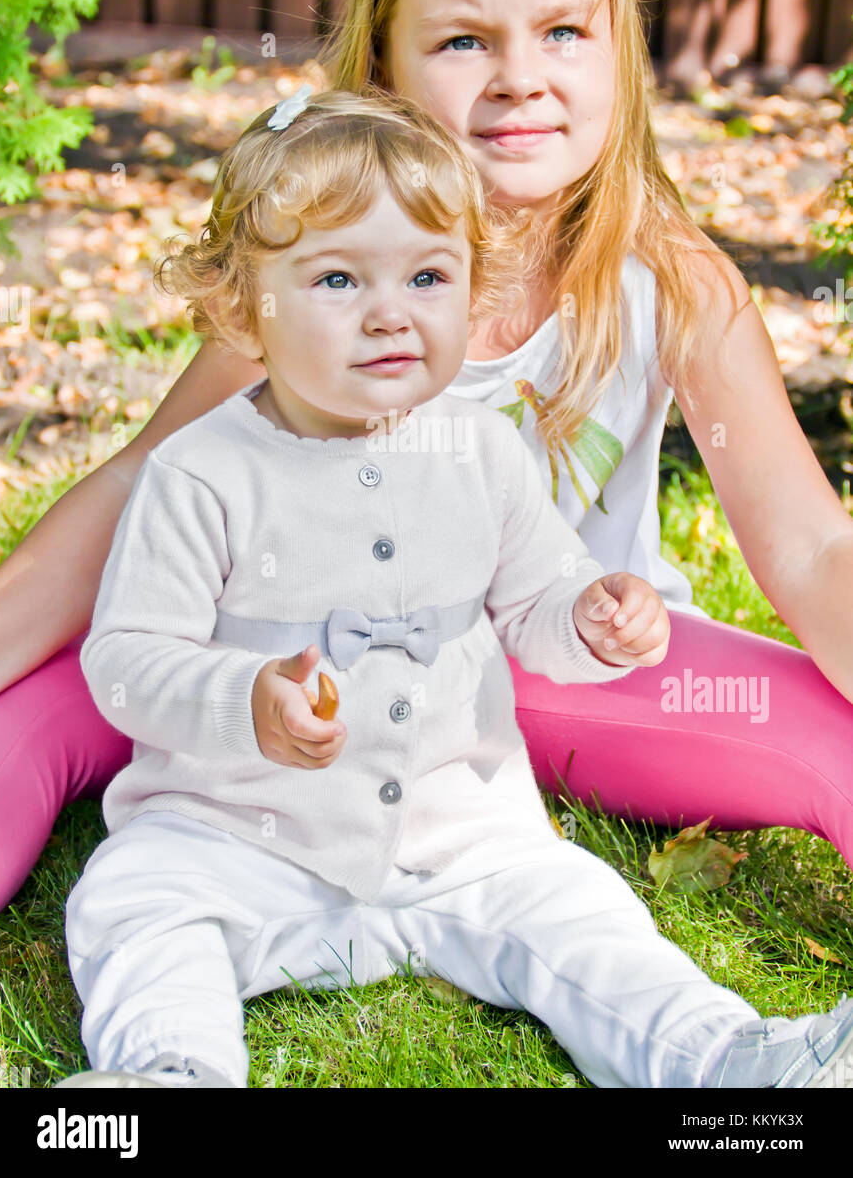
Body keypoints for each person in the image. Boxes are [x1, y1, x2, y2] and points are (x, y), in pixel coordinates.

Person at [0, 0, 853, 923]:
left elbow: (812, 545)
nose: (520, 78)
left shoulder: (671, 282)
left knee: (834, 738)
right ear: (384, 68)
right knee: (37, 703)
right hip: (290, 670)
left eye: (561, 33)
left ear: (617, 56)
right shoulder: (319, 267)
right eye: (461, 40)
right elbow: (139, 488)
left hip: (566, 660)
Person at [54, 88, 853, 1090]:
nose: (390, 312)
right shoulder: (201, 472)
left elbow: (536, 593)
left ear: (468, 291)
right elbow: (126, 661)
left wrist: (591, 618)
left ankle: (726, 1061)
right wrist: (240, 700)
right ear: (240, 303)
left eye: (426, 276)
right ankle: (167, 1071)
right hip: (235, 831)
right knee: (132, 898)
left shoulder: (477, 450)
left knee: (584, 912)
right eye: (338, 278)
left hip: (459, 834)